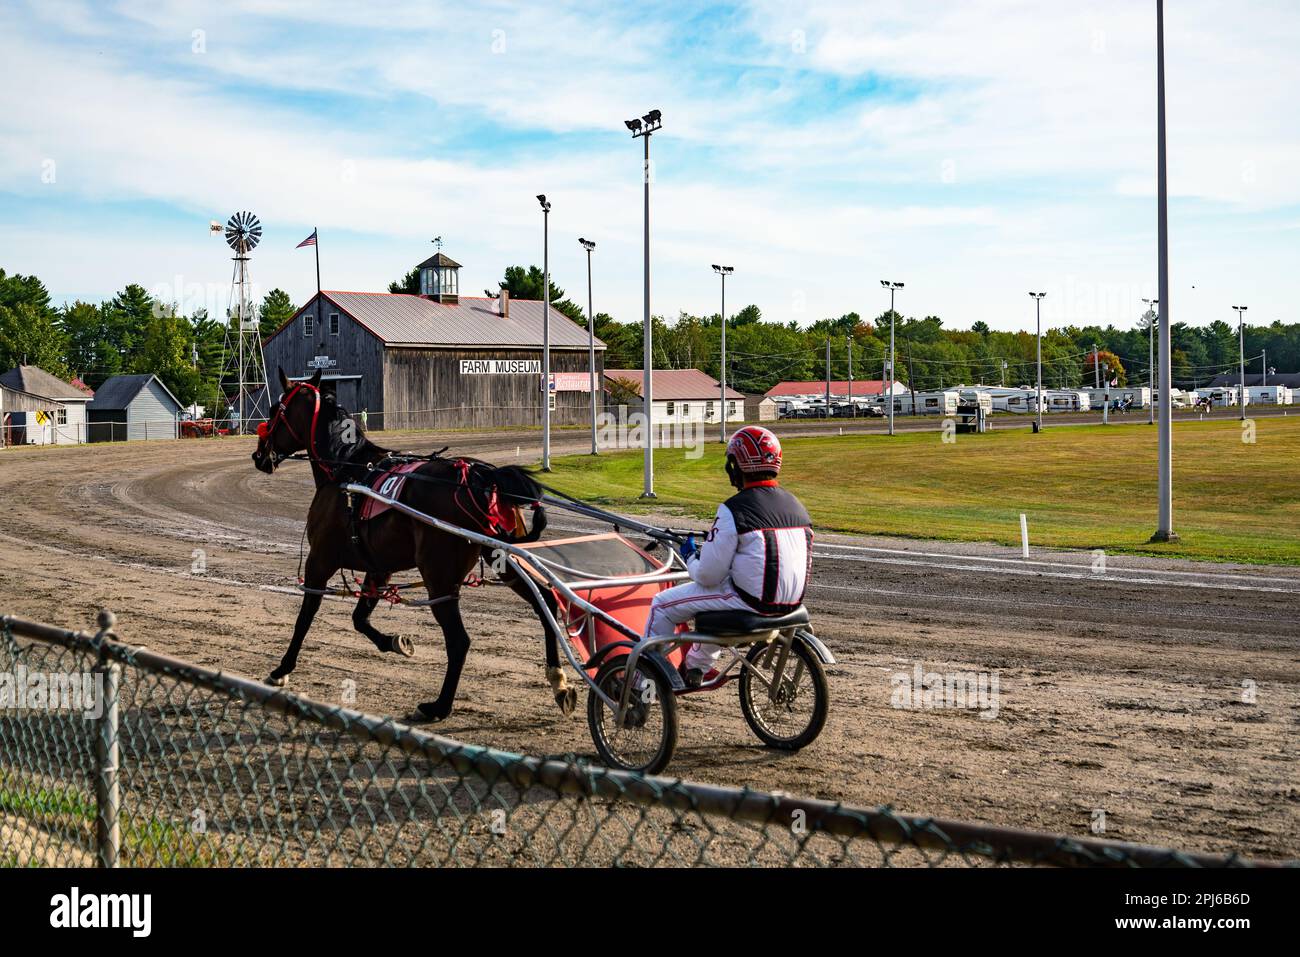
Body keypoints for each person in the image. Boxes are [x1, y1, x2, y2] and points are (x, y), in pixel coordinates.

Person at [642, 426, 813, 687]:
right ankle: (696, 666)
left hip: (752, 604)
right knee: (719, 591)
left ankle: (641, 685)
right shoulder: (797, 505)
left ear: (736, 466)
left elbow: (707, 576)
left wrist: (689, 556)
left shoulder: (734, 509)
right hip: (791, 603)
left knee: (662, 604)